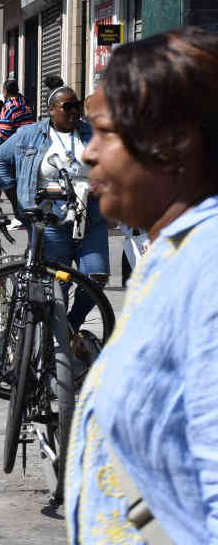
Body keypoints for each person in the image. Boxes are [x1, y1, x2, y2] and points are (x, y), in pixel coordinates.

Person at [65, 29, 218, 544]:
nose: (88, 154)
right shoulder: (173, 251)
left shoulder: (209, 263)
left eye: (105, 133)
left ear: (173, 144)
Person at [0, 85, 109, 326]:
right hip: (50, 221)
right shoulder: (30, 134)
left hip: (90, 219)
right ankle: (56, 342)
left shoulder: (93, 134)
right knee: (57, 283)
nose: (74, 111)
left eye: (77, 105)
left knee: (96, 277)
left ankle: (72, 324)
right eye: (68, 106)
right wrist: (14, 198)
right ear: (51, 110)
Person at [0, 78, 36, 143]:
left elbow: (3, 135)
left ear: (5, 91)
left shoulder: (9, 107)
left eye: (3, 90)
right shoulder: (26, 103)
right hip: (29, 141)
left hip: (15, 145)